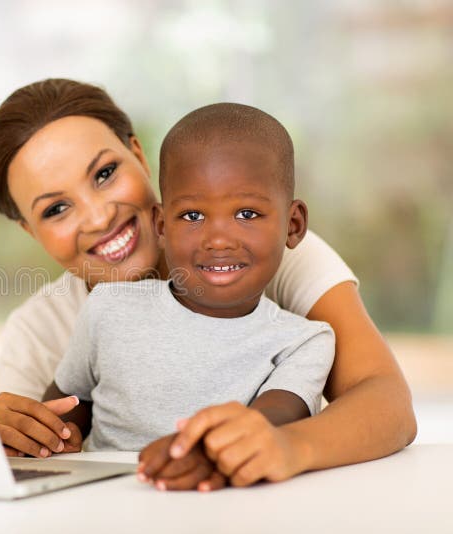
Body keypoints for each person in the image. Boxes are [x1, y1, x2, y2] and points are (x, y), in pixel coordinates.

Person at [0, 79, 416, 487]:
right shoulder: (43, 328)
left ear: (137, 153)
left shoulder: (271, 255)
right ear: (29, 229)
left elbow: (387, 403)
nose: (99, 217)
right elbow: (32, 457)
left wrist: (286, 447)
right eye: (56, 208)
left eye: (105, 174)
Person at [46, 102, 335, 491]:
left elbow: (268, 422)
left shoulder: (304, 342)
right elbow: (63, 413)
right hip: (109, 504)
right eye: (193, 216)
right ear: (162, 226)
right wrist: (45, 437)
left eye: (247, 214)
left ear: (293, 224)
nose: (218, 239)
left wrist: (194, 452)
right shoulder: (109, 308)